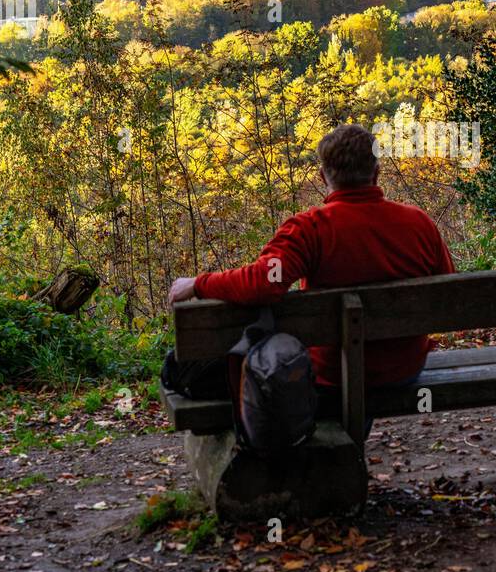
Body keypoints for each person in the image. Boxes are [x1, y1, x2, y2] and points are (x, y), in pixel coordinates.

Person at [167, 123, 455, 393]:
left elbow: (264, 283)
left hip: (332, 376)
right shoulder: (418, 223)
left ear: (322, 177)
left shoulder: (308, 230)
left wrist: (198, 284)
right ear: (376, 172)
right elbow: (446, 290)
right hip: (403, 372)